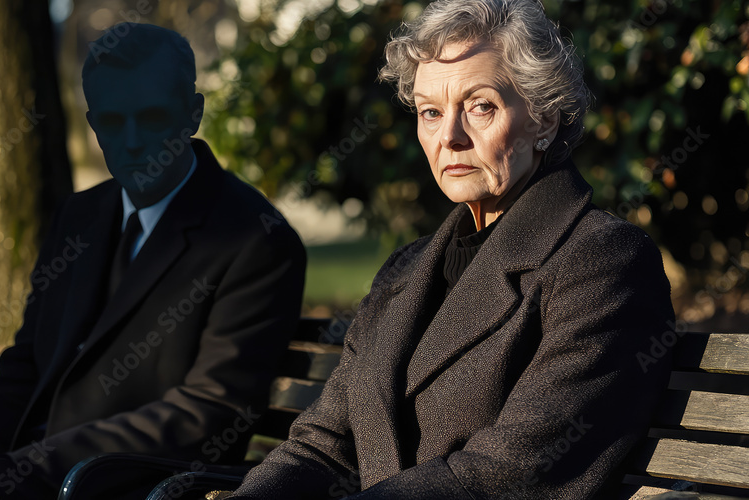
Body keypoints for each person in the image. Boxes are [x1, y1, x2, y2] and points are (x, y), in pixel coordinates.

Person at [0, 23, 307, 500]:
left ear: (192, 114)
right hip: (22, 471)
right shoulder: (83, 215)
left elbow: (207, 413)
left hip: (117, 482)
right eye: (111, 121)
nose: (130, 142)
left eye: (150, 118)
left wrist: (24, 466)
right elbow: (24, 365)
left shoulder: (255, 239)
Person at [228, 0, 674, 498]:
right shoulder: (407, 268)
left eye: (481, 105)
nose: (450, 137)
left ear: (545, 120)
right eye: (430, 112)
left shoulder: (602, 261)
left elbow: (508, 474)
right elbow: (324, 445)